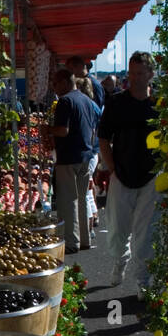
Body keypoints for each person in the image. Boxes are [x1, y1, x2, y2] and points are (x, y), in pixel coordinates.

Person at [97, 51, 158, 295]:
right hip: (121, 174)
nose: (134, 78)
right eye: (132, 73)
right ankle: (119, 261)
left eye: (140, 73)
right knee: (117, 229)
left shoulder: (160, 104)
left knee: (146, 233)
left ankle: (143, 280)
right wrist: (111, 168)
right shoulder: (117, 102)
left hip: (152, 177)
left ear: (151, 74)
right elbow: (103, 138)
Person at [50, 67, 101, 252]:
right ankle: (84, 239)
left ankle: (72, 242)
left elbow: (63, 130)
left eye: (55, 83)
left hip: (69, 157)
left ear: (65, 81)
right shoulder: (86, 100)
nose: (53, 87)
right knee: (81, 199)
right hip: (86, 155)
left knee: (68, 200)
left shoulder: (65, 101)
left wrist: (46, 129)